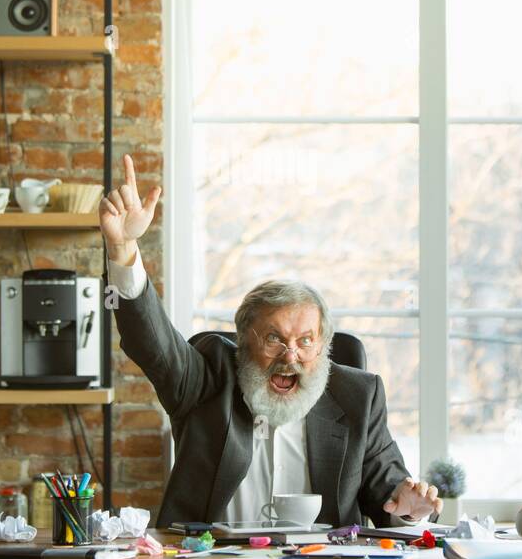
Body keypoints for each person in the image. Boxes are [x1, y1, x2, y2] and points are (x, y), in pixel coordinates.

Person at [100, 154, 440, 529]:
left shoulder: (359, 396)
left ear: (324, 345)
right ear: (244, 341)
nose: (290, 356)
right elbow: (152, 344)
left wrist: (410, 507)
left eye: (306, 341)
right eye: (274, 339)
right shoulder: (206, 379)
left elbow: (390, 496)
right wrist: (123, 250)